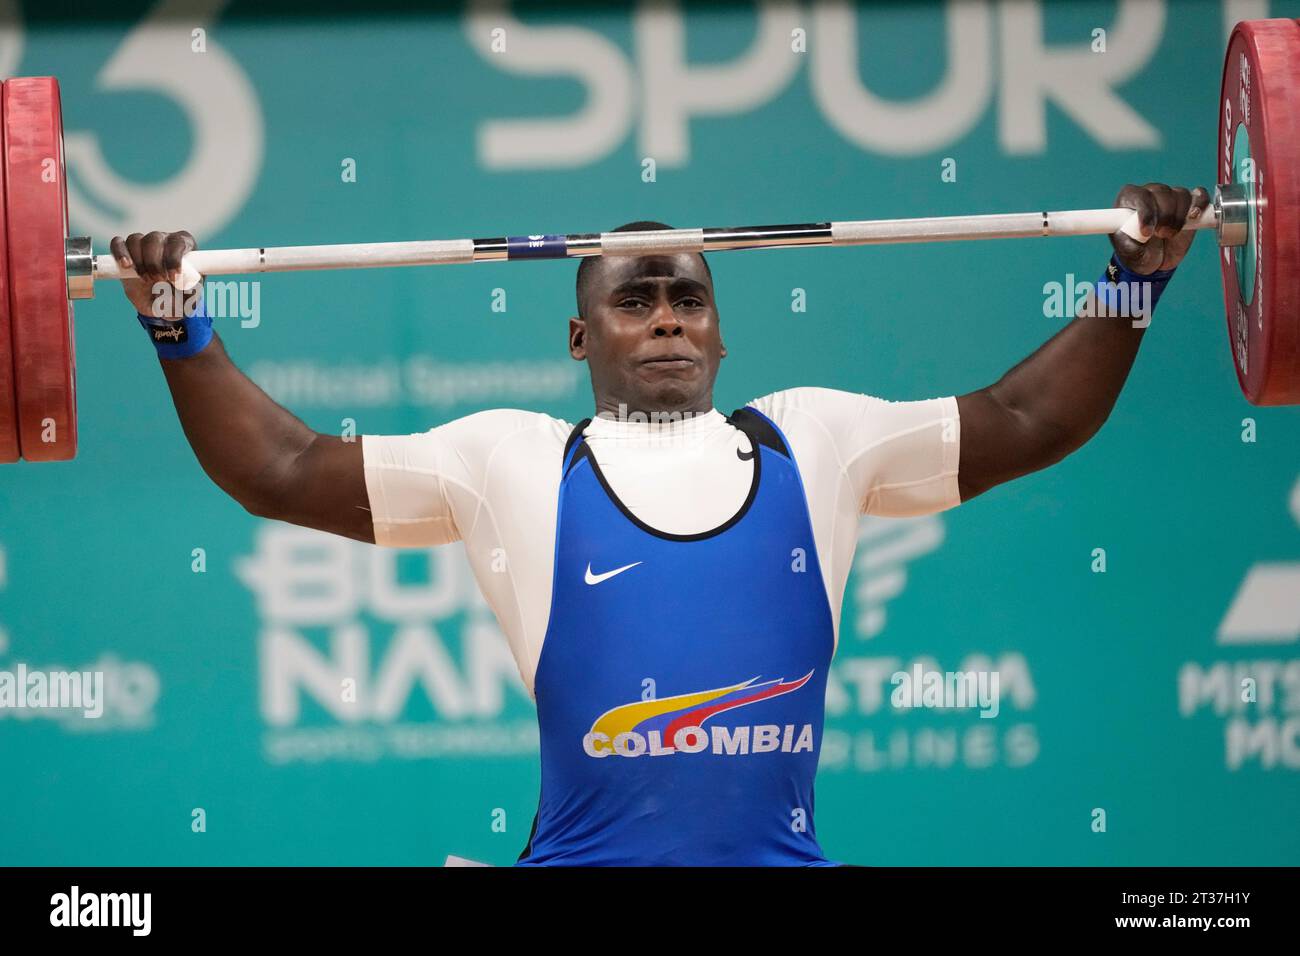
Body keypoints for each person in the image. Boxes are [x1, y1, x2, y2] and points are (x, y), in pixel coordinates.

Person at [113, 182, 1208, 866]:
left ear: (724, 333)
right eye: (633, 302)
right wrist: (176, 324)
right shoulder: (516, 459)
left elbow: (1029, 417)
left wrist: (1132, 281)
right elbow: (283, 468)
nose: (669, 315)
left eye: (688, 297)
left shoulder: (811, 441)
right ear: (579, 338)